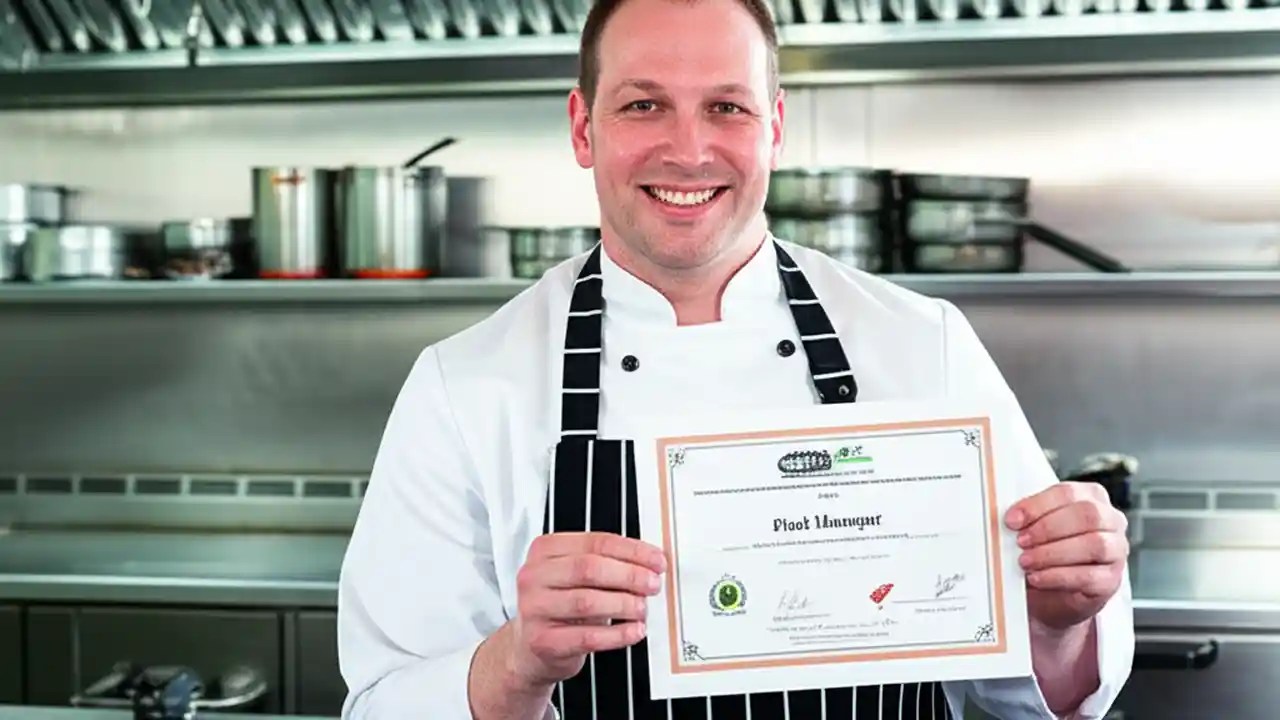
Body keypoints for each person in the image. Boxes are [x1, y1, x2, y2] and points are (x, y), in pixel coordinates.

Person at [336, 0, 1135, 716]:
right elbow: (381, 702)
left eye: (727, 106)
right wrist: (516, 663)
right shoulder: (466, 384)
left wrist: (1058, 618)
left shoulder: (922, 343)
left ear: (775, 128)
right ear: (583, 128)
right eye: (644, 105)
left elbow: (1043, 700)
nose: (688, 151)